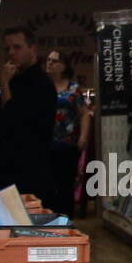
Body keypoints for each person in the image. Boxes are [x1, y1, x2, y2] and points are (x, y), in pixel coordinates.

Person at [0, 26, 57, 209]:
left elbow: (16, 123)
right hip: (8, 169)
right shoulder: (15, 79)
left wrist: (4, 84)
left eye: (17, 47)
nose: (11, 53)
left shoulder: (42, 84)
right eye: (7, 49)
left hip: (31, 173)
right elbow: (3, 123)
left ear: (32, 49)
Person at [44, 50, 92, 218]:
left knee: (66, 182)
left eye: (54, 61)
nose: (49, 64)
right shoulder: (42, 86)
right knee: (47, 183)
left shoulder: (73, 89)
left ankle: (66, 219)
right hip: (44, 143)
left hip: (67, 143)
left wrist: (83, 136)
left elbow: (84, 113)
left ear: (63, 66)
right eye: (48, 60)